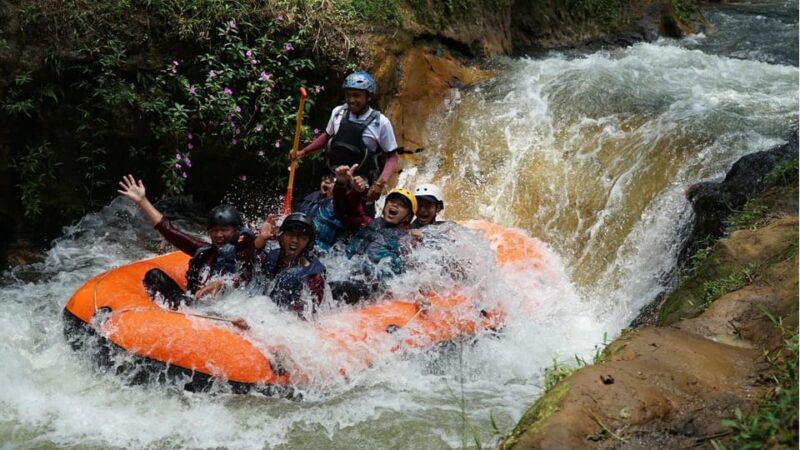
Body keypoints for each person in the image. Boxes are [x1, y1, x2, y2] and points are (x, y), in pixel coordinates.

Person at [117, 175, 255, 310]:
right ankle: (174, 311)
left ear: (237, 230)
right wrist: (142, 201)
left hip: (225, 310)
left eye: (225, 230)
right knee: (154, 275)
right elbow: (168, 230)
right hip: (192, 306)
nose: (219, 235)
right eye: (214, 230)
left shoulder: (244, 254)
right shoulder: (203, 251)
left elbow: (254, 249)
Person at [292, 71, 400, 203]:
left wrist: (379, 184)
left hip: (360, 183)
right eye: (348, 95)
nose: (351, 100)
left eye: (356, 96)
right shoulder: (338, 112)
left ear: (369, 97)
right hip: (334, 178)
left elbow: (392, 157)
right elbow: (326, 137)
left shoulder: (381, 122)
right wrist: (303, 152)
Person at [329, 164, 417, 303]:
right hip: (344, 273)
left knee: (337, 288)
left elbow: (407, 275)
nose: (394, 205)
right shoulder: (366, 222)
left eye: (401, 205)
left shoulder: (407, 240)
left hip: (371, 288)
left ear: (407, 217)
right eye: (392, 201)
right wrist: (341, 184)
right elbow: (343, 210)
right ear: (384, 207)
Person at [254, 212, 326, 317]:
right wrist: (261, 239)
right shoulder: (271, 256)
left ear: (308, 243)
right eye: (290, 234)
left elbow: (310, 316)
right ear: (282, 237)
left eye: (302, 237)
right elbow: (247, 263)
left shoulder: (314, 276)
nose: (294, 240)